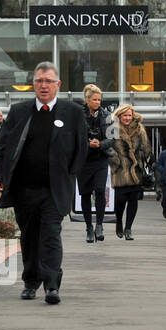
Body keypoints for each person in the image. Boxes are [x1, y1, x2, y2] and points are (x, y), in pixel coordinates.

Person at [0, 62, 86, 305]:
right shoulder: (20, 111)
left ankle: (52, 286)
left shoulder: (72, 112)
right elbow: (1, 148)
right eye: (39, 81)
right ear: (33, 84)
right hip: (24, 189)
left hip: (54, 191)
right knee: (30, 237)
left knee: (51, 235)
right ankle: (31, 282)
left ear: (58, 85)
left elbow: (81, 149)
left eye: (48, 81)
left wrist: (69, 175)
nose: (44, 86)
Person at [77, 85, 115, 243]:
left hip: (100, 157)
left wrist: (99, 144)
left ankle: (99, 225)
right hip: (84, 160)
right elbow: (72, 136)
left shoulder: (107, 115)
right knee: (85, 194)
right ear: (87, 100)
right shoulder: (78, 115)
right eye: (94, 99)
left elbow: (113, 138)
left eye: (99, 99)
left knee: (100, 190)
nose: (98, 102)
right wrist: (87, 143)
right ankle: (88, 228)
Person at [108, 104, 151, 241]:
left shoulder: (139, 129)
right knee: (120, 200)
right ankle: (119, 221)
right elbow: (107, 147)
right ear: (119, 115)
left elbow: (146, 147)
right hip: (120, 169)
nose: (127, 118)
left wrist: (150, 162)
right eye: (125, 115)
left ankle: (128, 228)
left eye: (129, 115)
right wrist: (115, 161)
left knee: (133, 199)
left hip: (136, 169)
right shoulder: (112, 129)